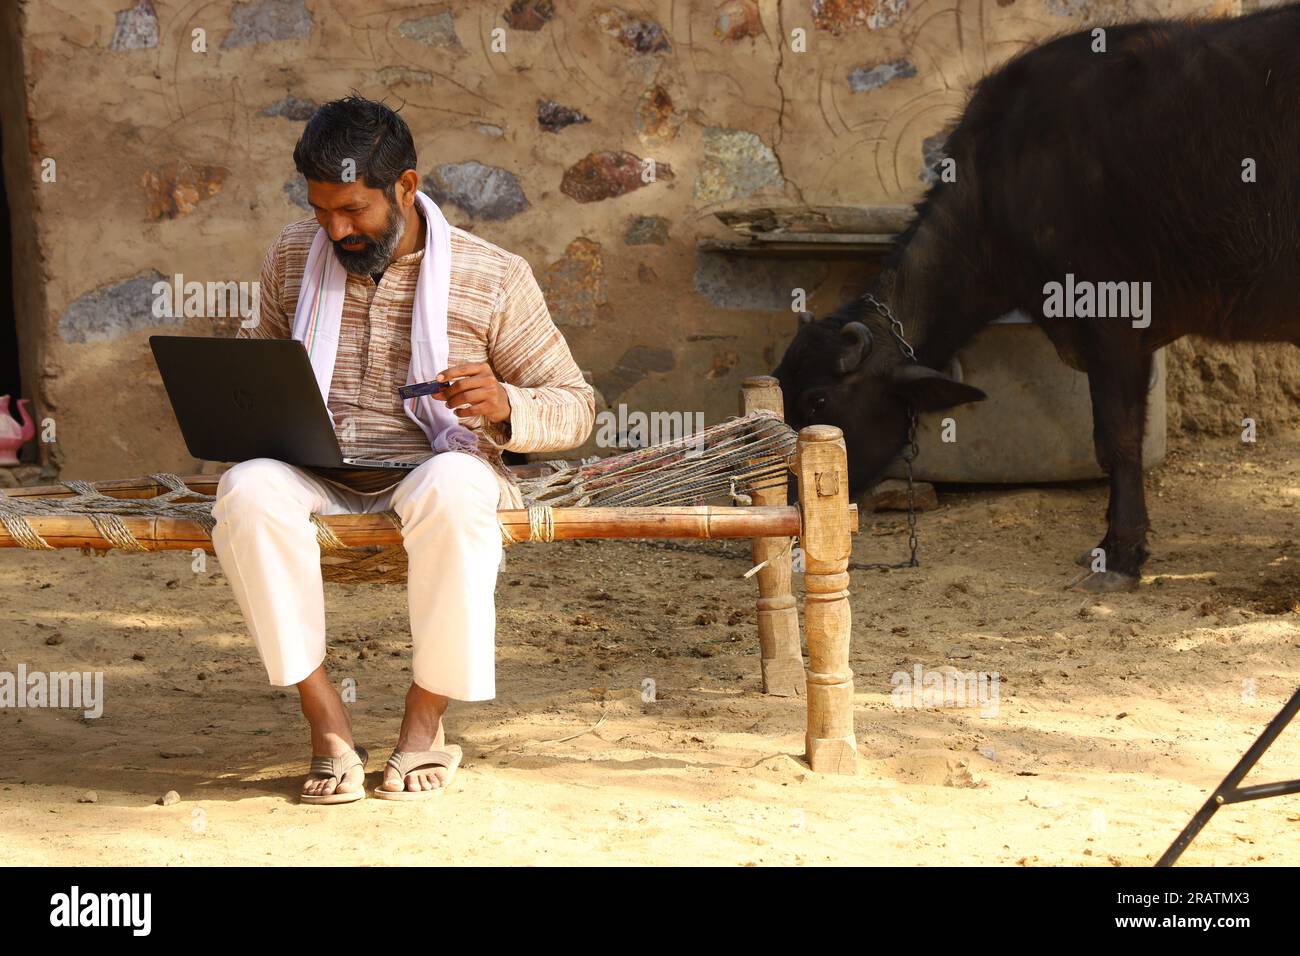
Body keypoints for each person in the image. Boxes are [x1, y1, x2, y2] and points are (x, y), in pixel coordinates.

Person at [212, 95, 594, 803]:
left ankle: (425, 723)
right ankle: (325, 718)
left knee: (453, 487)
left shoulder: (493, 275)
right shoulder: (295, 255)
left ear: (406, 187)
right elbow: (251, 370)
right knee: (246, 491)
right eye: (322, 209)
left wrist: (509, 405)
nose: (335, 228)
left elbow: (576, 406)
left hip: (434, 472)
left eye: (354, 210)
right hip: (312, 469)